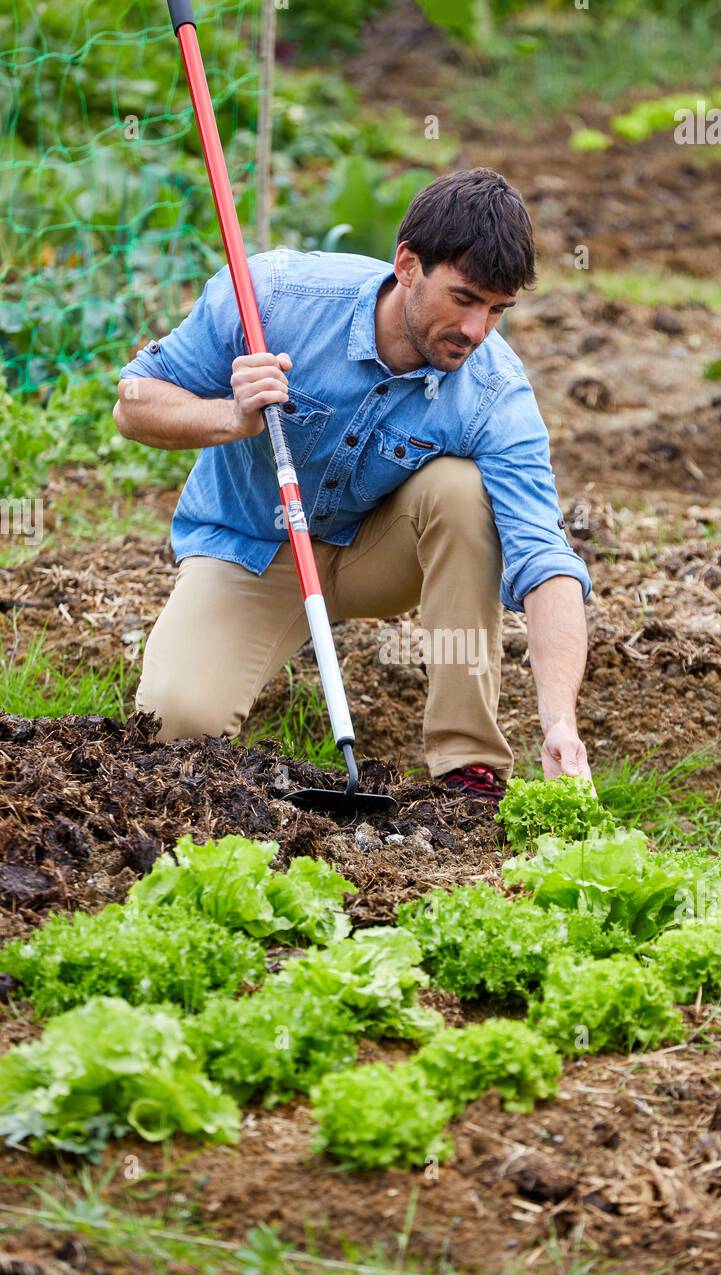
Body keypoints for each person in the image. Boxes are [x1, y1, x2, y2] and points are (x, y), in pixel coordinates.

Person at [114, 167, 592, 803]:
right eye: (464, 298)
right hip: (254, 548)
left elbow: (544, 559)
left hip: (374, 554)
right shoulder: (276, 298)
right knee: (177, 730)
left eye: (497, 311)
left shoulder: (493, 393)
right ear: (408, 264)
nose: (477, 331)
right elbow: (134, 403)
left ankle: (467, 770)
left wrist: (560, 720)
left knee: (463, 491)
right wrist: (229, 416)